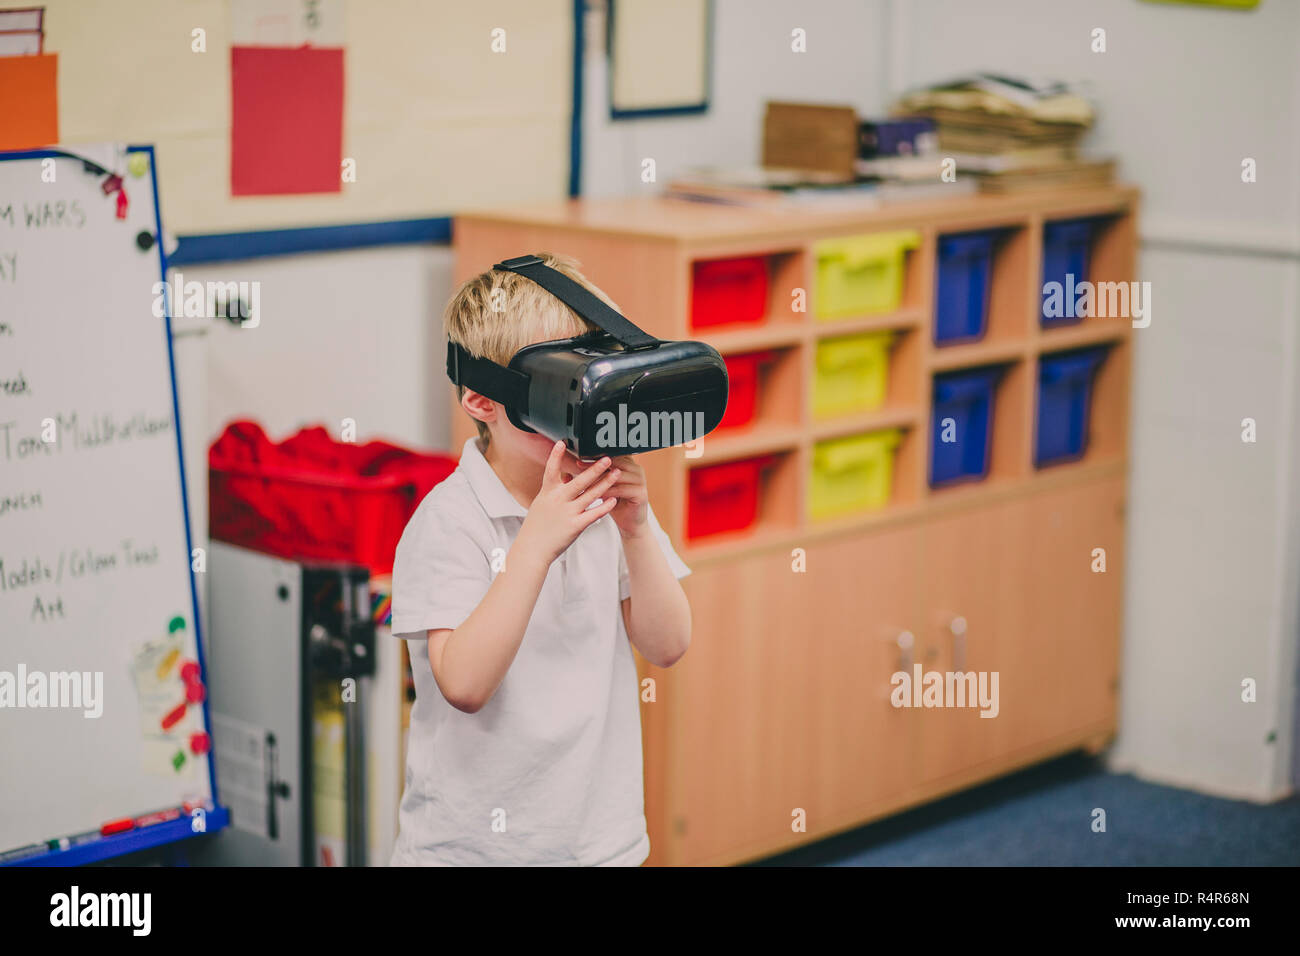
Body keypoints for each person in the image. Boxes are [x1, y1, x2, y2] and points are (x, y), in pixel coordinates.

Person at [388, 253, 692, 866]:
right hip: (473, 852)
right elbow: (465, 685)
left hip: (599, 844)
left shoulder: (604, 496)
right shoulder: (450, 522)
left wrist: (635, 529)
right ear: (483, 400)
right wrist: (534, 545)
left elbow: (668, 645)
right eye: (559, 392)